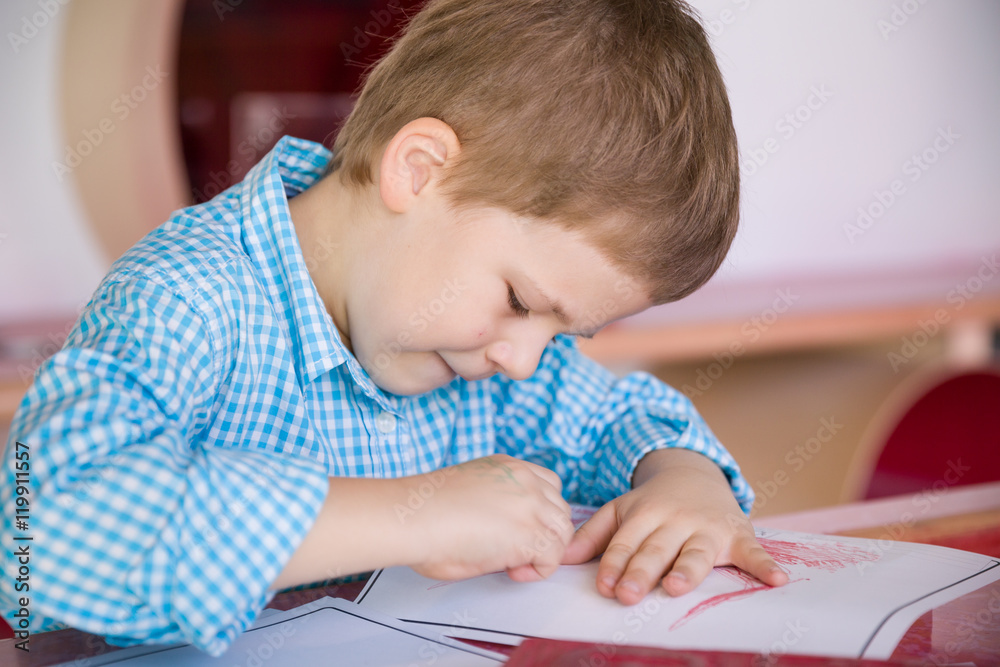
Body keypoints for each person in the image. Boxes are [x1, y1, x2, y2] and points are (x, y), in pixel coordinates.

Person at [0, 0, 788, 656]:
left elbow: (622, 418)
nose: (522, 359)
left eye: (565, 334)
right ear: (418, 169)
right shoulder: (190, 296)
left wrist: (684, 482)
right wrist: (416, 512)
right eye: (519, 298)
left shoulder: (481, 356)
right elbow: (40, 538)